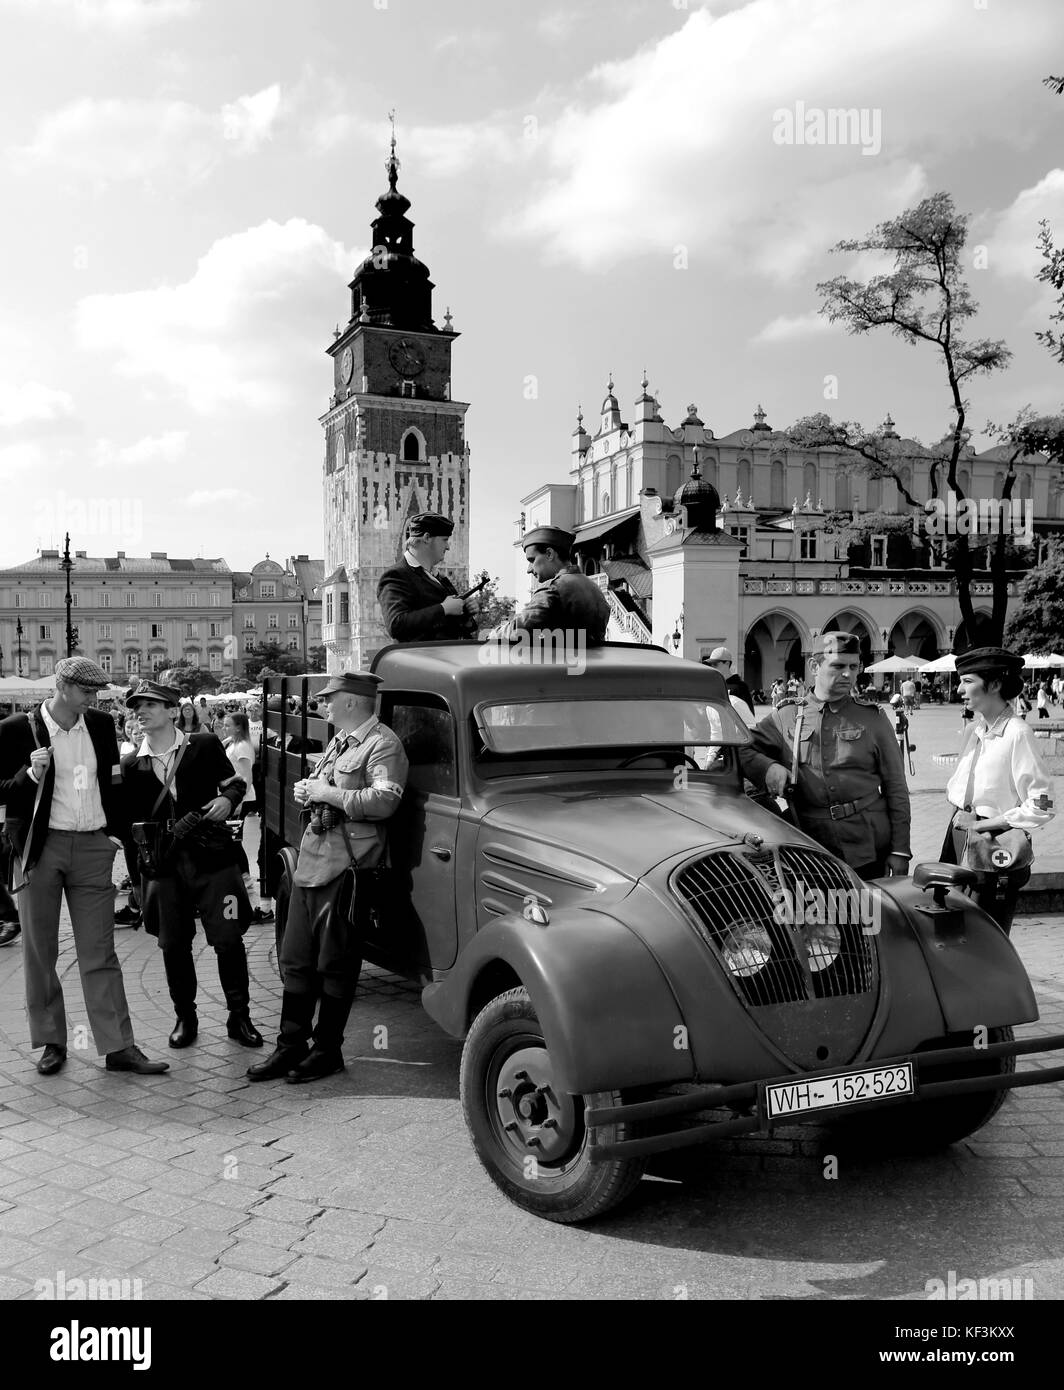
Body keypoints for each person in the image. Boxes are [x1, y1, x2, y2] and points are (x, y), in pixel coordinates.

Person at [0, 657, 168, 1076]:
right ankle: (53, 1042)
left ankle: (118, 1046)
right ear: (62, 687)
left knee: (100, 952)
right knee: (41, 952)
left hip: (92, 846)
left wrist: (113, 835)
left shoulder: (96, 723)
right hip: (41, 850)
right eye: (87, 691)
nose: (95, 699)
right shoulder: (17, 730)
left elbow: (111, 780)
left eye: (95, 692)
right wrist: (28, 773)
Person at [248, 671, 408, 1085]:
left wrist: (327, 794)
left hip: (347, 868)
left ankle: (327, 1050)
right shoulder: (341, 741)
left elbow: (386, 800)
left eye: (329, 698)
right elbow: (326, 787)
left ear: (353, 701)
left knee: (334, 964)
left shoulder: (383, 744)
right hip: (312, 863)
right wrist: (309, 790)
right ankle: (290, 1046)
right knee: (297, 959)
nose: (323, 705)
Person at [121, 679, 263, 1050]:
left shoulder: (201, 744)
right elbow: (128, 829)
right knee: (173, 944)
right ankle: (186, 1017)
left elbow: (235, 784)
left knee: (229, 939)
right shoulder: (131, 765)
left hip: (212, 858)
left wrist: (228, 801)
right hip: (164, 867)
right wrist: (138, 880)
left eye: (150, 704)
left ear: (172, 711)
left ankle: (239, 1016)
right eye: (137, 706)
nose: (141, 711)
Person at [739, 631, 912, 880]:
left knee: (867, 915)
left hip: (867, 842)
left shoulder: (873, 718)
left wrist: (900, 849)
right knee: (816, 914)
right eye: (838, 666)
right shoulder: (786, 716)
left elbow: (896, 787)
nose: (848, 674)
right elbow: (742, 747)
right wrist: (767, 768)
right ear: (814, 666)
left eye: (854, 667)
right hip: (809, 844)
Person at [942, 647, 1055, 936]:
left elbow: (1042, 803)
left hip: (991, 843)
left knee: (982, 937)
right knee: (952, 931)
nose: (960, 689)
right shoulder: (978, 729)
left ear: (993, 685)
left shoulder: (1017, 733)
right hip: (958, 836)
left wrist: (986, 823)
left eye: (968, 681)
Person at [377, 512, 477, 641]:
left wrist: (466, 614)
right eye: (444, 540)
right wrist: (443, 609)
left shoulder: (438, 576)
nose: (448, 547)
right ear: (427, 538)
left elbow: (453, 627)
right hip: (423, 658)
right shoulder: (396, 575)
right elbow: (396, 624)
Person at [504, 526, 610, 643]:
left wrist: (490, 636)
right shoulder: (595, 589)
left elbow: (518, 630)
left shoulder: (554, 588)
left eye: (532, 560)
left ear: (549, 554)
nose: (529, 569)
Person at [222, 710, 271, 924]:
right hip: (234, 798)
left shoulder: (242, 747)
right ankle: (244, 883)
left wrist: (237, 800)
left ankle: (246, 885)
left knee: (234, 843)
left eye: (228, 725)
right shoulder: (235, 743)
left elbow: (245, 776)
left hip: (240, 799)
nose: (224, 727)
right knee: (233, 843)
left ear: (239, 727)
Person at [701, 647, 756, 726]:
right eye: (710, 664)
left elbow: (749, 716)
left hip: (733, 734)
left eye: (715, 664)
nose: (712, 667)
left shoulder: (740, 687)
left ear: (727, 663)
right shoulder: (715, 685)